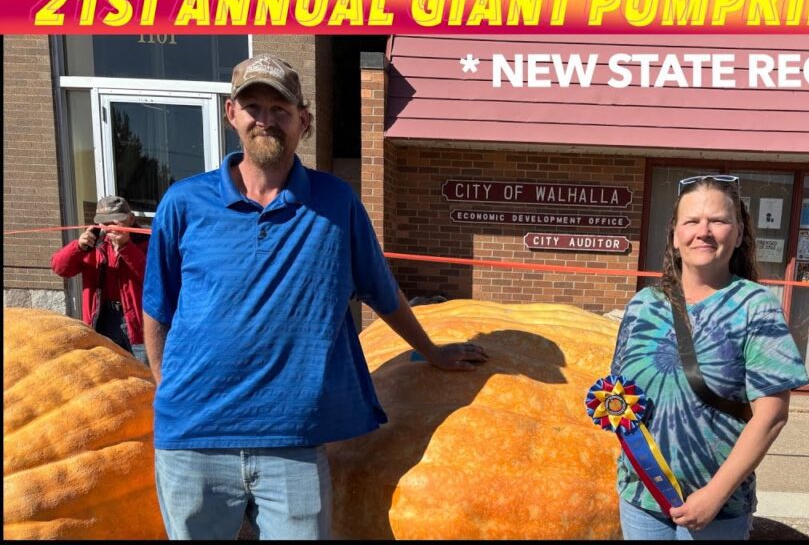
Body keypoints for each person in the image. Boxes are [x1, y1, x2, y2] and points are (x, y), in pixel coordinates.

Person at [142, 54, 488, 540]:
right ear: (232, 114)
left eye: (280, 109)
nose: (266, 119)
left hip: (294, 441)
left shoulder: (335, 202)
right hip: (193, 440)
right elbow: (157, 307)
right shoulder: (183, 203)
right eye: (254, 107)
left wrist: (431, 350)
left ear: (303, 121)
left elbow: (381, 291)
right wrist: (166, 388)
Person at [611, 175, 809, 540]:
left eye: (717, 221)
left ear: (737, 234)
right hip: (640, 499)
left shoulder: (756, 306)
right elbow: (619, 397)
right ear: (674, 235)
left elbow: (772, 415)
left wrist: (715, 496)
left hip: (719, 507)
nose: (703, 231)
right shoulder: (642, 305)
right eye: (691, 221)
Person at [51, 195, 148, 365]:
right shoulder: (94, 243)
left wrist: (126, 247)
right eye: (104, 223)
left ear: (130, 219)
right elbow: (60, 268)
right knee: (108, 370)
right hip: (103, 318)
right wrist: (78, 247)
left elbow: (152, 278)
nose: (109, 227)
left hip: (137, 321)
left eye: (115, 221)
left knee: (143, 372)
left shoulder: (146, 242)